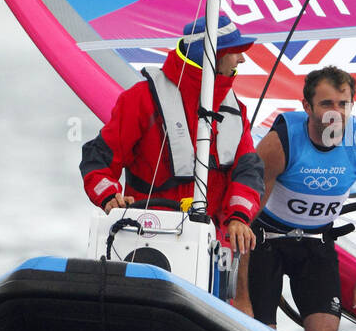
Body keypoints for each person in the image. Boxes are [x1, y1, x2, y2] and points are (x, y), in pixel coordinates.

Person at [234, 66, 356, 331]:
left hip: (316, 244)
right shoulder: (278, 144)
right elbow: (244, 221)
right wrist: (241, 297)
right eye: (326, 104)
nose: (336, 112)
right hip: (264, 241)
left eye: (343, 104)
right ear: (306, 106)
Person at [79, 17, 264, 258]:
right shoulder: (141, 99)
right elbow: (98, 160)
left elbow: (249, 173)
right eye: (236, 51)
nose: (242, 59)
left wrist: (239, 217)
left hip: (209, 249)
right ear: (212, 54)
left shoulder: (237, 111)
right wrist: (108, 196)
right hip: (143, 240)